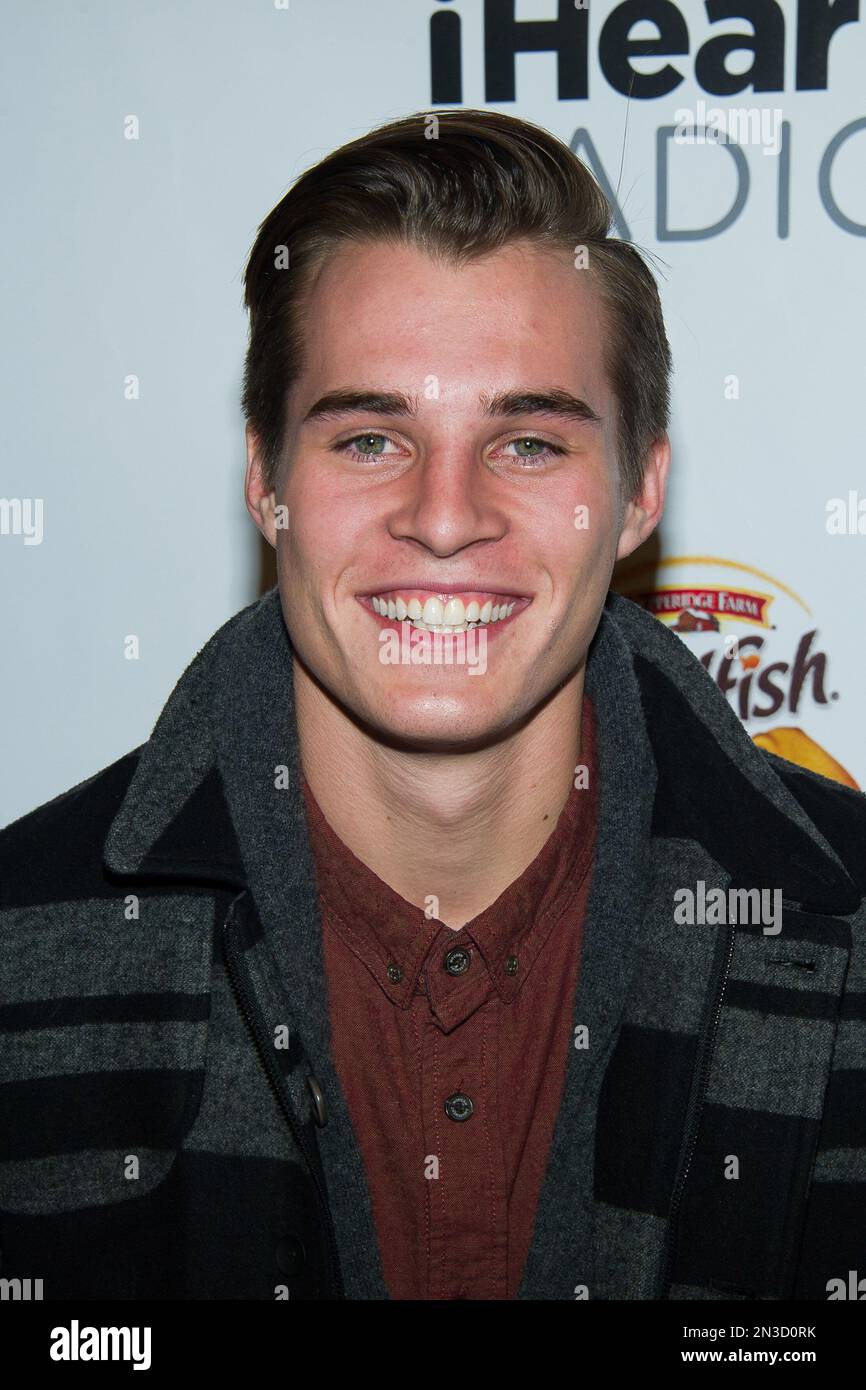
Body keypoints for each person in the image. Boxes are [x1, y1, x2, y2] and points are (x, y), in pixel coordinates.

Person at [1, 109, 863, 1302]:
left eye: (525, 444)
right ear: (263, 480)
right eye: (367, 438)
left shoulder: (844, 929)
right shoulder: (21, 948)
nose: (445, 517)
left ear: (637, 492)